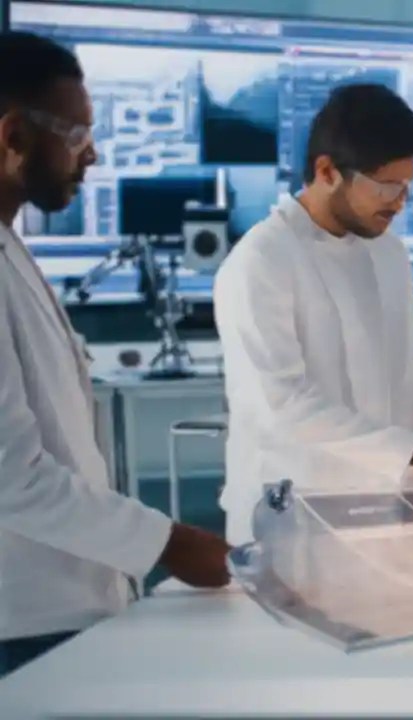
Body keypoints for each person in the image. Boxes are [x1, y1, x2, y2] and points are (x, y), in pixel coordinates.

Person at [0, 32, 229, 677]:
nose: (91, 155)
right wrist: (171, 543)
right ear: (13, 136)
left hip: (63, 605)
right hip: (22, 623)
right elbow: (12, 478)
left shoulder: (13, 248)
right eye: (75, 136)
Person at [214, 84, 413, 545]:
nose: (400, 202)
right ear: (326, 170)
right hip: (290, 519)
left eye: (408, 187)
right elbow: (283, 407)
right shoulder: (261, 261)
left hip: (380, 510)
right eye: (387, 186)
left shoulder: (388, 253)